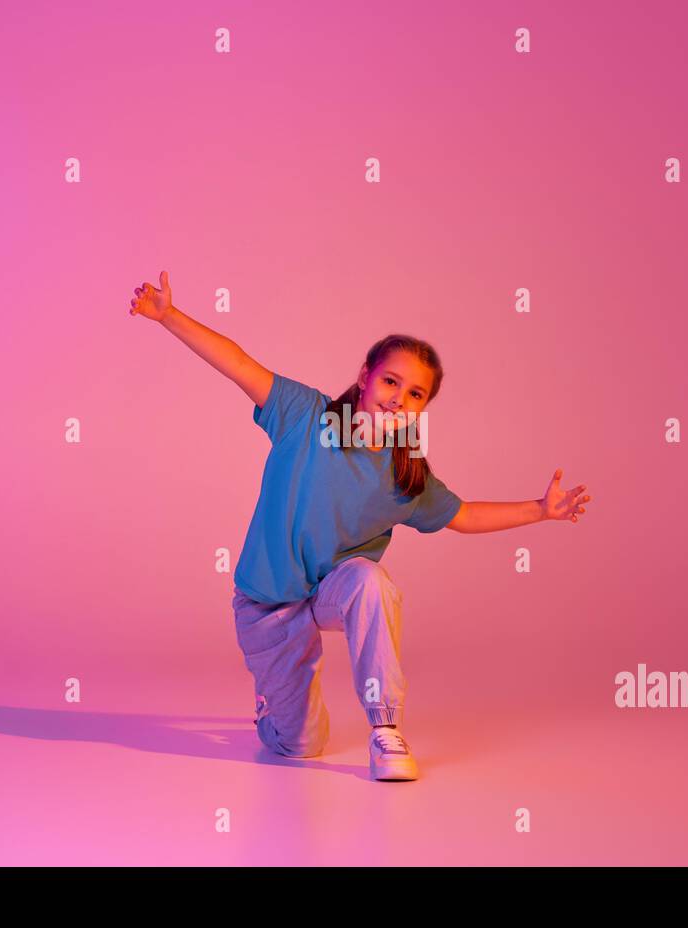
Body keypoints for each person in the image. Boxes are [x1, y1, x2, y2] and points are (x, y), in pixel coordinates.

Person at [130, 271, 591, 781]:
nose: (398, 399)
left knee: (372, 581)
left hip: (333, 592)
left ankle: (386, 731)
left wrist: (539, 509)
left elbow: (465, 515)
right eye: (391, 382)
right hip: (268, 604)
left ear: (422, 409)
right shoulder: (304, 416)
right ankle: (273, 706)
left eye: (415, 394)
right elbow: (238, 363)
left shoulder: (405, 474)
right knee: (301, 746)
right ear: (366, 374)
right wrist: (168, 315)